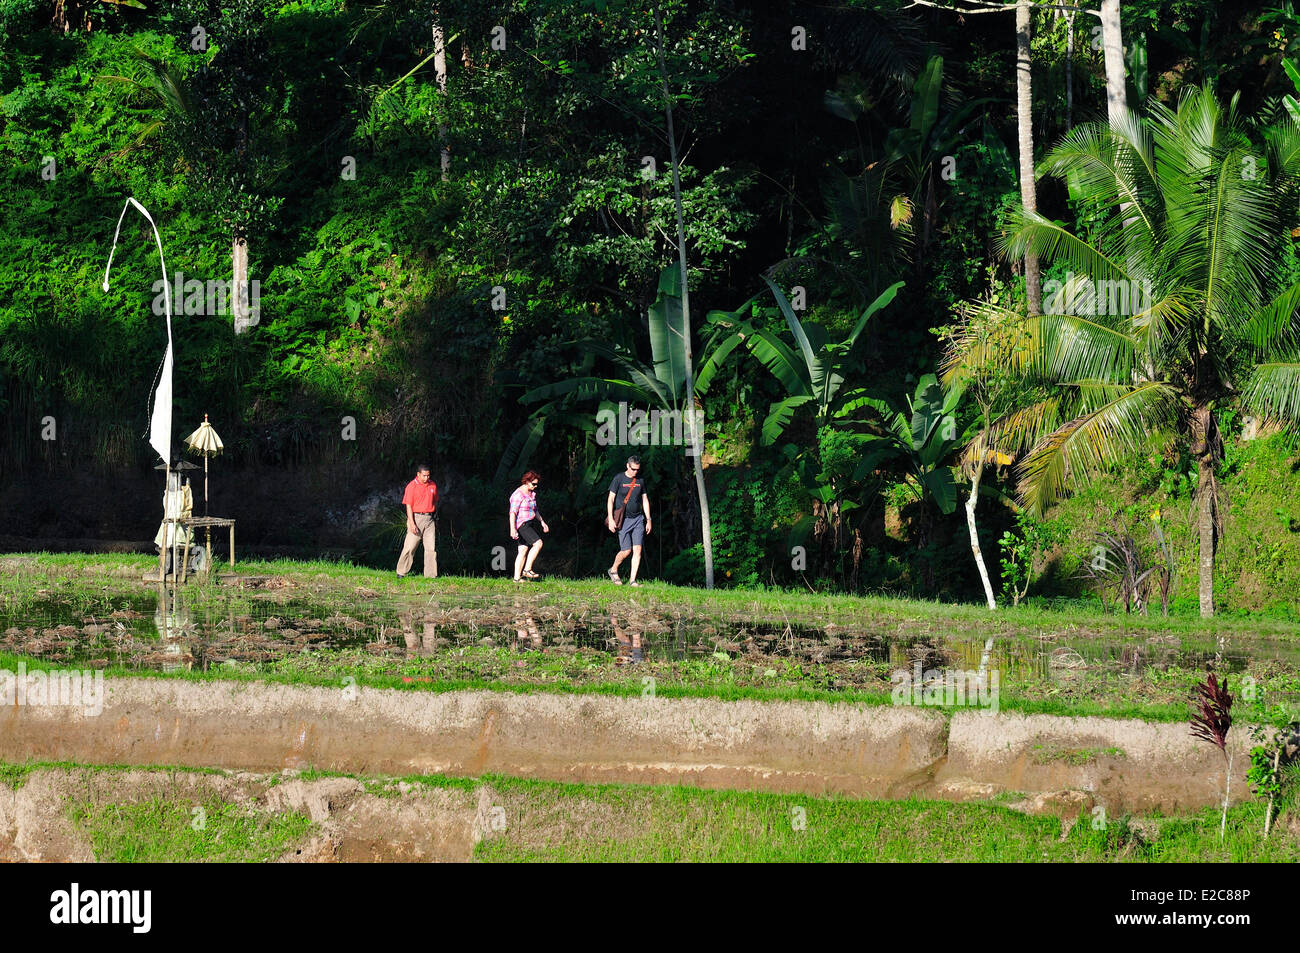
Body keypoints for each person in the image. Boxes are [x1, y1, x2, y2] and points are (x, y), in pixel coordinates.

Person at [606, 455, 651, 586]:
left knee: (638, 550)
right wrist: (610, 518)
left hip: (638, 519)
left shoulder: (640, 481)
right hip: (623, 520)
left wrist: (648, 519)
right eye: (633, 469)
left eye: (637, 469)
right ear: (627, 466)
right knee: (626, 551)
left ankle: (632, 581)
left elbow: (645, 500)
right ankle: (613, 570)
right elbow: (610, 499)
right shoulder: (618, 479)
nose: (635, 472)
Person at [397, 463, 439, 578]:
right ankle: (401, 572)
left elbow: (435, 501)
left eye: (428, 476)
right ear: (418, 474)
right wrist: (412, 523)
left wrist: (434, 515)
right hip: (416, 518)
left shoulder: (432, 485)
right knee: (410, 547)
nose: (427, 478)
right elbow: (408, 506)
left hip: (429, 519)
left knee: (431, 549)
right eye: (424, 476)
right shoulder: (411, 486)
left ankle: (431, 575)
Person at [509, 470, 549, 581]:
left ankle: (516, 578)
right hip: (522, 525)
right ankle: (527, 570)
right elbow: (512, 513)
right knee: (538, 543)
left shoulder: (531, 494)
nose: (535, 486)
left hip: (530, 523)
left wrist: (542, 522)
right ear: (526, 482)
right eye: (533, 484)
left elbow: (535, 510)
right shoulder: (518, 494)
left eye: (536, 484)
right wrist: (512, 529)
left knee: (522, 550)